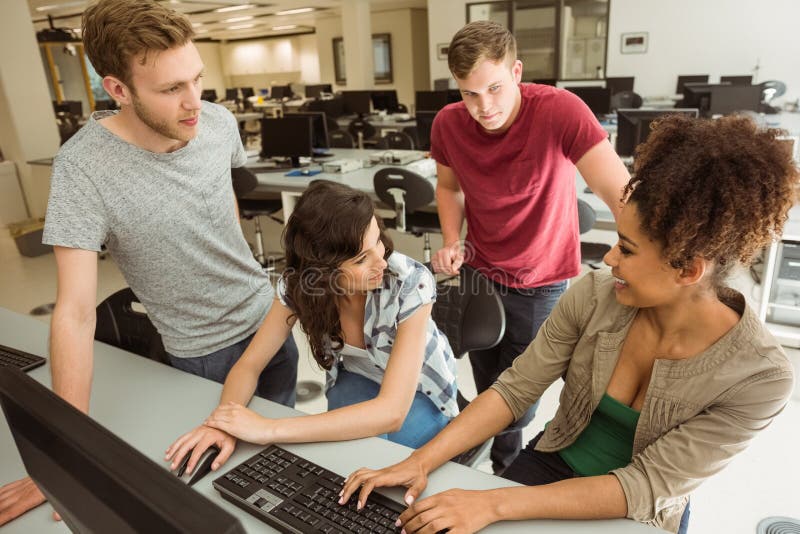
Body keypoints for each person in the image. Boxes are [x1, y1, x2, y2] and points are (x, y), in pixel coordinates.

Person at [340, 115, 797, 534]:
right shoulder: (597, 293)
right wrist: (421, 461)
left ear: (688, 270)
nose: (610, 258)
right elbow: (514, 389)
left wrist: (493, 503)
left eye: (628, 249)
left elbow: (644, 485)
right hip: (553, 460)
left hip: (638, 508)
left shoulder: (758, 377)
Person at [0, 0, 298, 526]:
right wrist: (66, 449)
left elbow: (220, 205)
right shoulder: (82, 169)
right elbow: (74, 313)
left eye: (197, 80)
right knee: (219, 497)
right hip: (202, 356)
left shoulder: (218, 123)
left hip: (272, 327)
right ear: (119, 89)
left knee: (284, 474)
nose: (194, 103)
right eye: (170, 89)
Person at [429, 20, 631, 474]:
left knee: (517, 399)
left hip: (541, 281)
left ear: (517, 71)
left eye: (495, 88)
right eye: (469, 94)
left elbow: (620, 194)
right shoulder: (448, 124)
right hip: (480, 273)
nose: (484, 107)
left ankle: (507, 469)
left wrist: (642, 258)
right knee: (487, 383)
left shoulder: (560, 111)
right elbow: (449, 188)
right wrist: (450, 240)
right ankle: (497, 463)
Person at [165, 181, 459, 474]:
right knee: (336, 463)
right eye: (360, 258)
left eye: (378, 240)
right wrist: (223, 424)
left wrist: (269, 429)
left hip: (421, 392)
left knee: (376, 467)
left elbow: (391, 413)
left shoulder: (411, 283)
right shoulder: (301, 286)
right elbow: (249, 365)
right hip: (360, 379)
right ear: (322, 270)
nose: (381, 261)